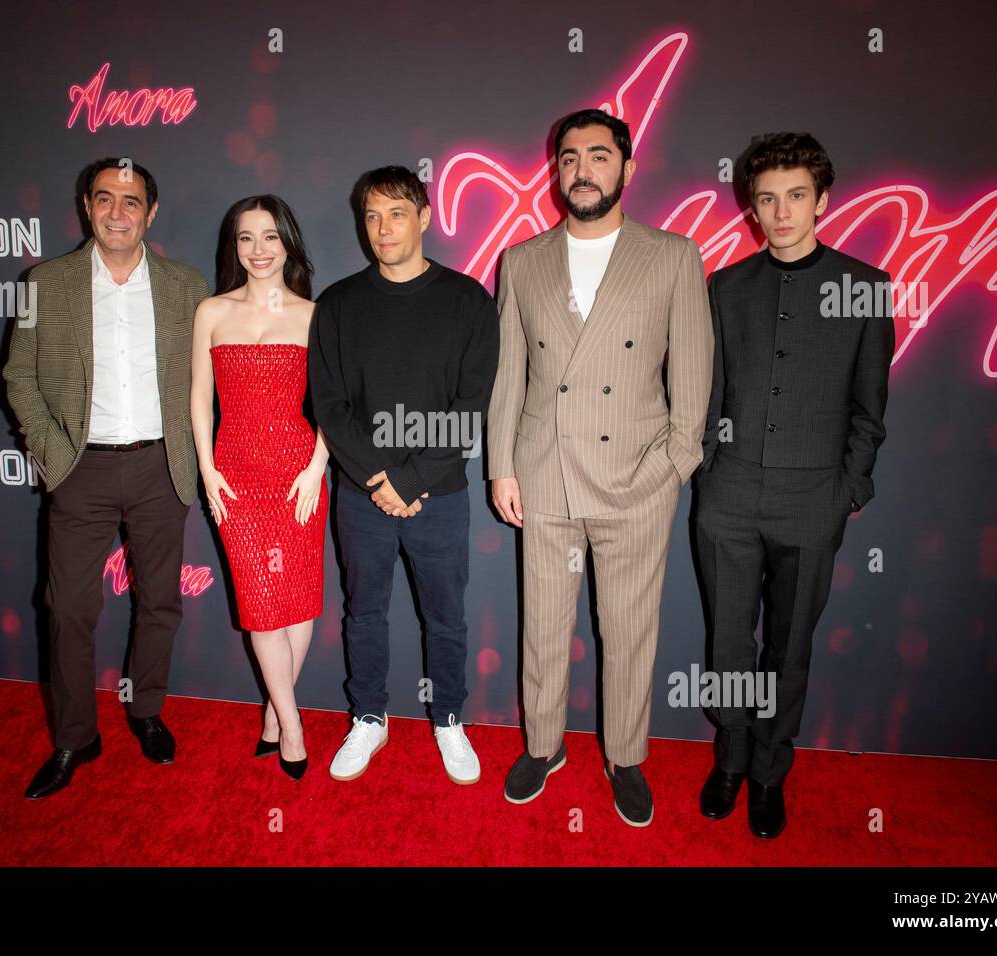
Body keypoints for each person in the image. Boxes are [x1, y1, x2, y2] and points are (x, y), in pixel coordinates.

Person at [488, 109, 714, 826]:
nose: (582, 170)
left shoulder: (673, 256)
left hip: (635, 477)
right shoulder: (521, 260)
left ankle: (624, 755)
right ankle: (544, 745)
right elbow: (508, 377)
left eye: (598, 156)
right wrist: (501, 465)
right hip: (544, 470)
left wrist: (675, 464)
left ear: (627, 167)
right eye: (569, 159)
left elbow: (695, 374)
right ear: (555, 171)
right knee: (543, 624)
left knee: (629, 628)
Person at [693, 132, 894, 838]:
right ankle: (730, 759)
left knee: (789, 650)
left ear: (822, 200)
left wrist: (848, 492)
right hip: (728, 497)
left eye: (796, 197)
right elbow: (711, 395)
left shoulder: (863, 288)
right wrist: (709, 473)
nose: (781, 213)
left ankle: (770, 773)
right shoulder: (725, 287)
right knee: (727, 647)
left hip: (814, 501)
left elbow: (871, 410)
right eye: (767, 199)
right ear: (752, 205)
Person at [4, 157, 211, 799]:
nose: (117, 212)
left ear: (151, 213)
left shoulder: (187, 286)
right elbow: (18, 377)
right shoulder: (46, 281)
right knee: (67, 609)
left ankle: (146, 711)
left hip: (161, 466)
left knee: (160, 602)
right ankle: (75, 738)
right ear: (86, 207)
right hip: (80, 468)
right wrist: (52, 452)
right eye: (104, 199)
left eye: (131, 201)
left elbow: (209, 380)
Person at [308, 166, 499, 785]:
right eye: (371, 216)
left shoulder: (468, 300)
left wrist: (411, 481)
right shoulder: (338, 304)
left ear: (423, 217)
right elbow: (329, 405)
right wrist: (378, 480)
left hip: (438, 494)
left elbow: (471, 406)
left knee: (445, 616)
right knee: (364, 612)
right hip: (362, 496)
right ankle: (369, 716)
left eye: (396, 213)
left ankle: (447, 717)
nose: (382, 228)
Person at [190, 195, 329, 781]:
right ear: (234, 247)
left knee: (297, 598)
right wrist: (207, 468)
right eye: (246, 238)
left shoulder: (314, 314)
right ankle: (292, 724)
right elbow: (199, 395)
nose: (259, 250)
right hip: (236, 473)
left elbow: (333, 401)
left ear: (288, 243)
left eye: (270, 237)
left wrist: (316, 466)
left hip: (299, 469)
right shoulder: (212, 311)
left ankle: (275, 715)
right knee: (260, 603)